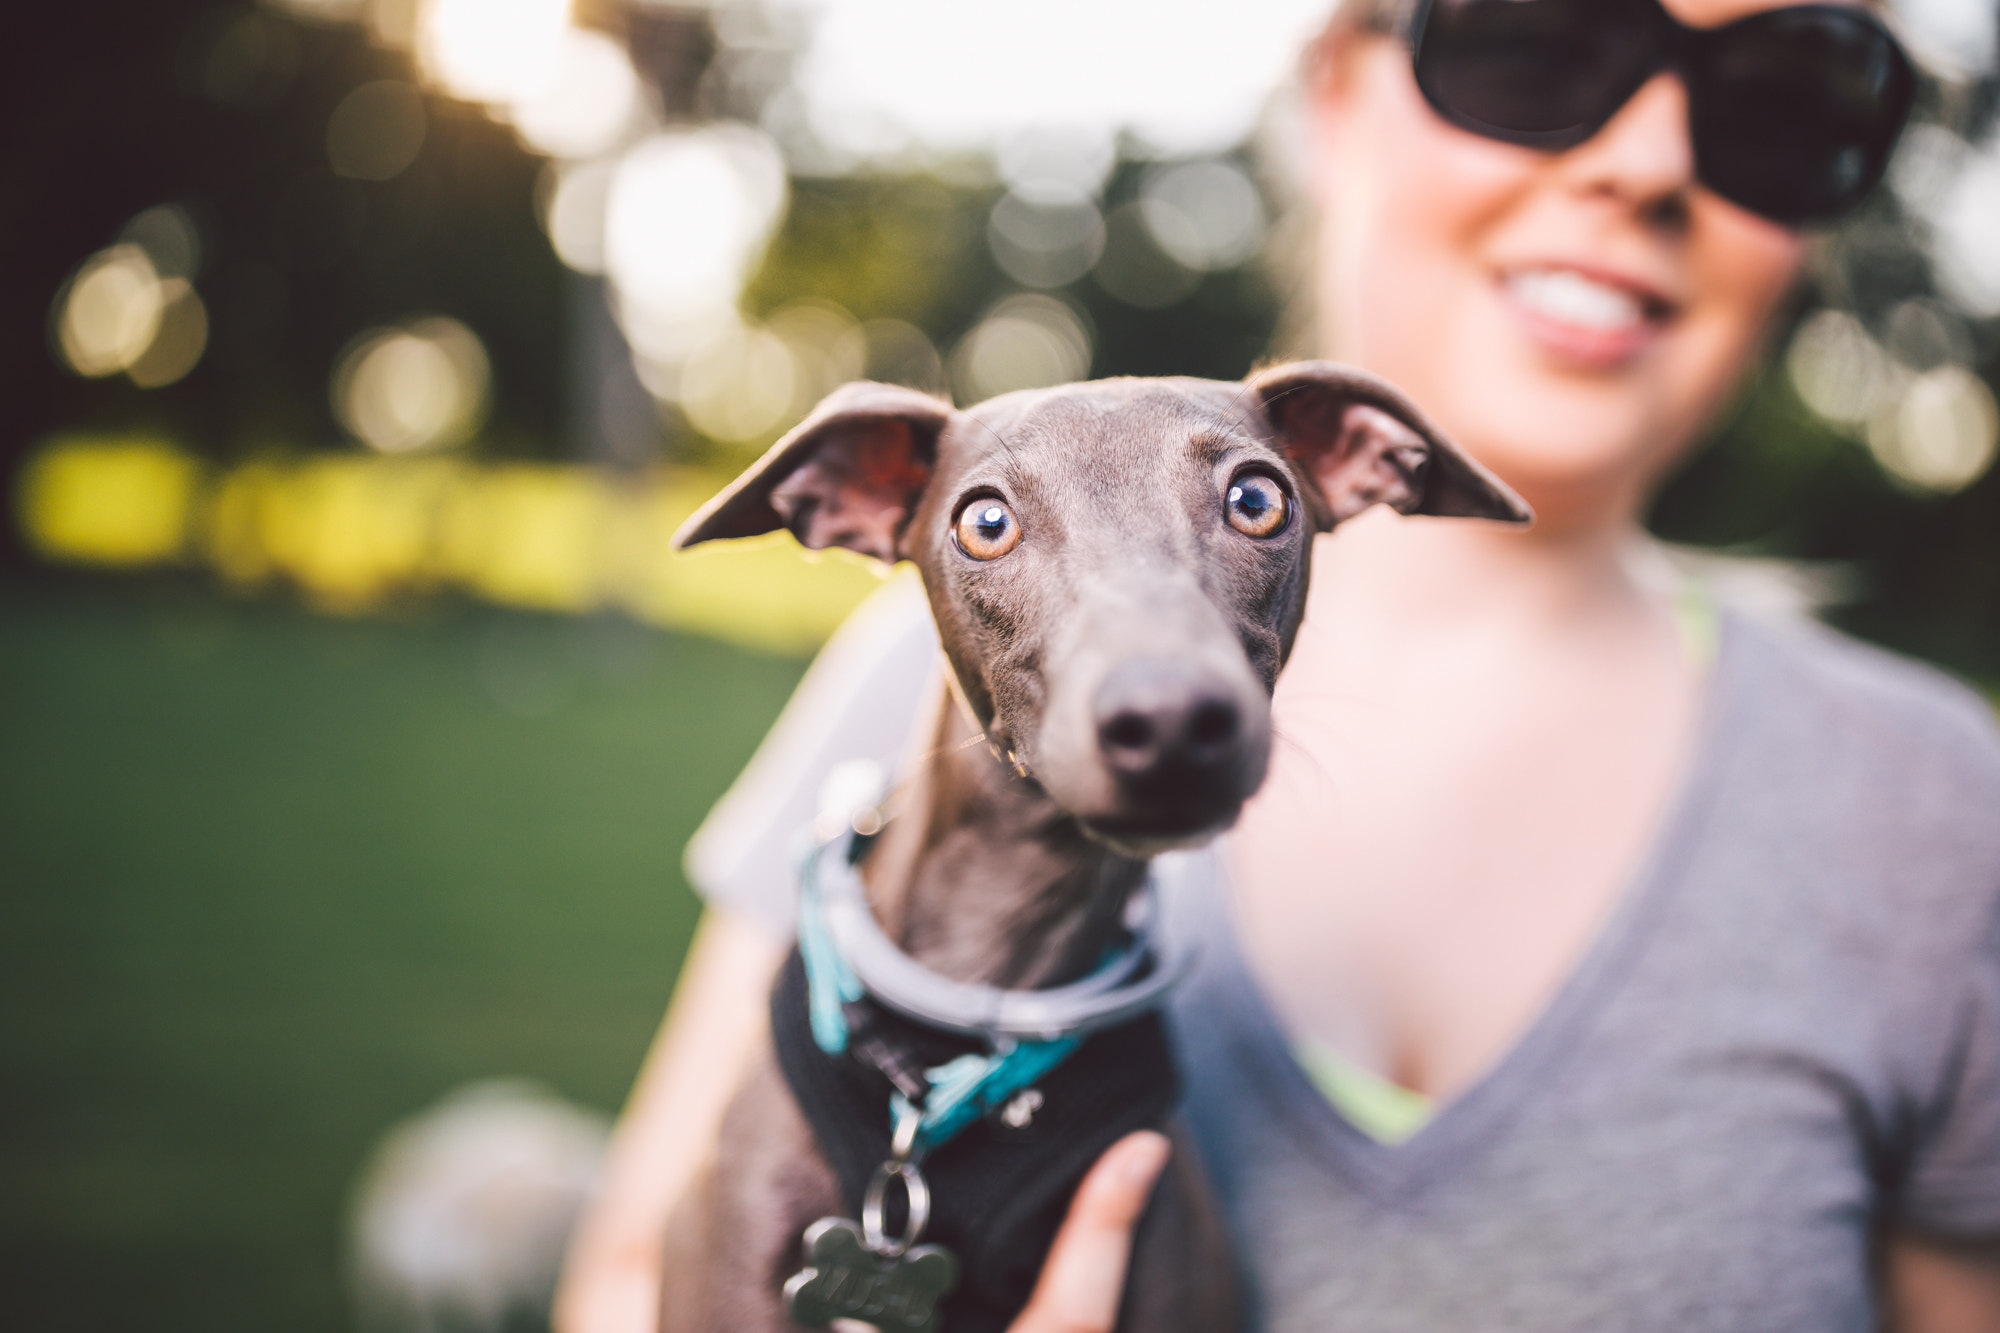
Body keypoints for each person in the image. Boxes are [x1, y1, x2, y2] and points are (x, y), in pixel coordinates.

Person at [557, 0, 2000, 1327]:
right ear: (1337, 93)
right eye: (1538, 38)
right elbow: (629, 1278)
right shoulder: (920, 692)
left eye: (1786, 95)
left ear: (1355, 464)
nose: (1648, 160)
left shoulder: (1931, 810)